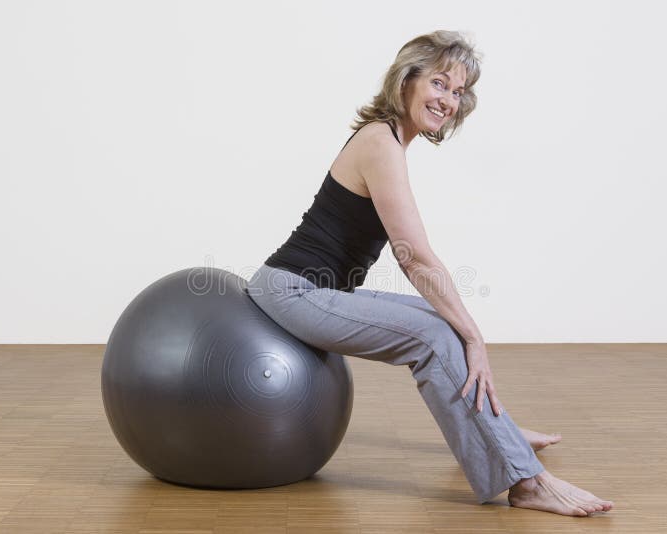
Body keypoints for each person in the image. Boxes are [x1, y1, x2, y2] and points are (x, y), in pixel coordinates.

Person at [246, 30, 613, 517]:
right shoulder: (380, 142)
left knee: (442, 324)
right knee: (435, 334)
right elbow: (413, 256)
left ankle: (495, 430)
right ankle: (526, 482)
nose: (448, 101)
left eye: (458, 92)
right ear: (406, 80)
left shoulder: (390, 139)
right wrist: (476, 337)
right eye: (439, 84)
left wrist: (467, 333)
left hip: (313, 290)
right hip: (292, 291)